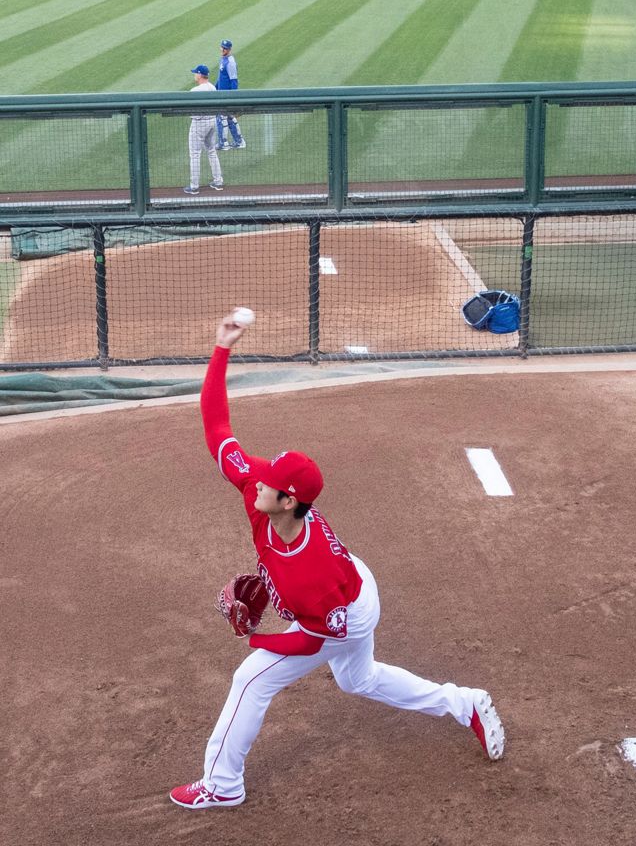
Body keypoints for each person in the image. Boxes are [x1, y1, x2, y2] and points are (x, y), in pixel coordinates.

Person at [168, 313, 505, 810]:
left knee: (251, 678)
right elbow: (217, 427)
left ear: (289, 502)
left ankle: (222, 783)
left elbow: (309, 640)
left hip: (342, 611)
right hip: (349, 582)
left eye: (270, 483)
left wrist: (254, 638)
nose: (256, 480)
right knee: (359, 679)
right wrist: (222, 349)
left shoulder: (313, 570)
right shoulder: (261, 492)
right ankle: (465, 703)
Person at [184, 65, 223, 196]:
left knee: (195, 154)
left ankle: (194, 187)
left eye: (195, 73)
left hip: (199, 124)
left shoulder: (195, 90)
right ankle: (218, 182)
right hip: (212, 122)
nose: (194, 75)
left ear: (200, 75)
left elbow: (189, 110)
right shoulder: (213, 87)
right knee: (212, 151)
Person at [215, 40, 245, 150]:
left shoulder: (231, 62)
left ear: (229, 49)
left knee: (220, 117)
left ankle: (223, 143)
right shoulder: (223, 59)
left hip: (226, 95)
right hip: (221, 93)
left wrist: (234, 97)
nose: (223, 49)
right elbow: (221, 77)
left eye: (225, 48)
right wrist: (215, 87)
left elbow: (234, 81)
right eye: (222, 47)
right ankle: (239, 141)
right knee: (229, 118)